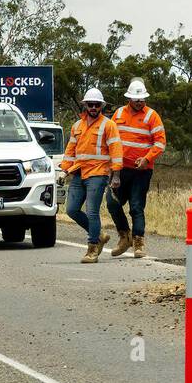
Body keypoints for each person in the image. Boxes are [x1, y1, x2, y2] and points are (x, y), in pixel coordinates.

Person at [60, 88, 123, 263]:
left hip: (98, 172)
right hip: (79, 172)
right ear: (85, 105)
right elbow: (70, 151)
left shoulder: (108, 125)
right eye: (90, 104)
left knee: (92, 211)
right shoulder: (77, 126)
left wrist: (116, 175)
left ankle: (92, 249)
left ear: (101, 106)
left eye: (97, 105)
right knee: (71, 210)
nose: (93, 107)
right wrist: (65, 169)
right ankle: (99, 234)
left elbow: (116, 151)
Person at [106, 78, 165, 258]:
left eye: (142, 99)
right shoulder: (118, 114)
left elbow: (160, 142)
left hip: (141, 171)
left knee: (136, 206)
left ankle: (138, 242)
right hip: (120, 170)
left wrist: (147, 159)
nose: (139, 102)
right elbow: (110, 139)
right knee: (112, 203)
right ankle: (125, 236)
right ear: (129, 98)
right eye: (136, 99)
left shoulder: (152, 116)